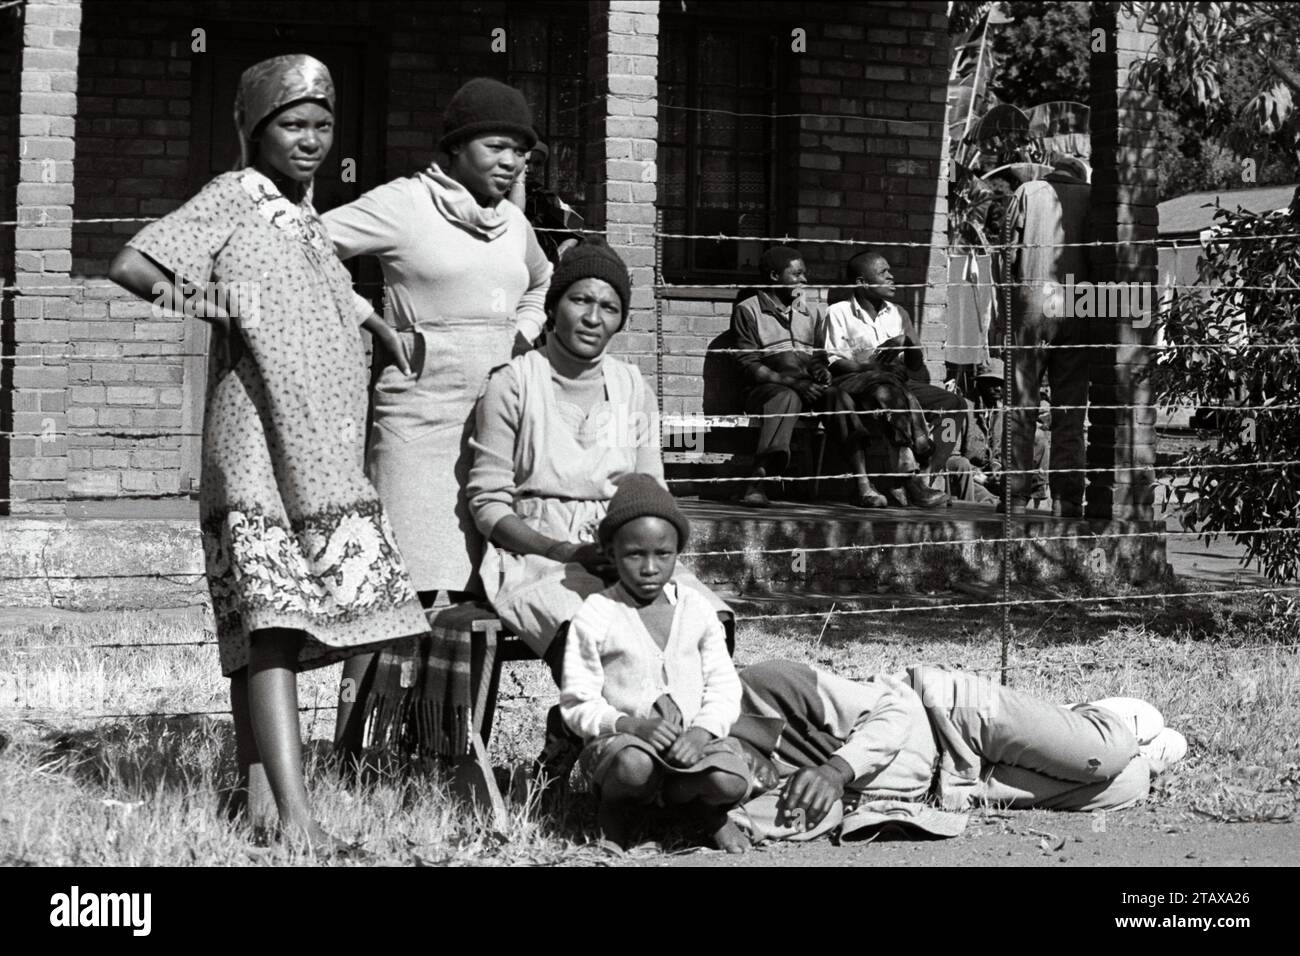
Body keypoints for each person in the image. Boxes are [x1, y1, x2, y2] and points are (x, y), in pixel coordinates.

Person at [107, 54, 429, 854]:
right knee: (275, 621)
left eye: (322, 125)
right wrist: (211, 304)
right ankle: (296, 817)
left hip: (313, 444)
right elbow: (132, 263)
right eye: (293, 124)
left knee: (265, 630)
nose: (311, 139)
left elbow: (310, 288)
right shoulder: (232, 197)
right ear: (256, 129)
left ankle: (254, 805)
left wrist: (372, 322)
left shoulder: (303, 217)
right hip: (253, 438)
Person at [322, 77, 552, 756]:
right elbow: (306, 245)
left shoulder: (514, 223)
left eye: (520, 150)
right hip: (417, 418)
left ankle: (453, 751)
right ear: (454, 146)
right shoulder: (403, 204)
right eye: (495, 145)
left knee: (483, 591)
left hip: (498, 419)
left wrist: (525, 333)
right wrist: (365, 315)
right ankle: (364, 753)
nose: (509, 161)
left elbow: (541, 281)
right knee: (407, 587)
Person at [466, 239, 734, 779]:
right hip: (539, 554)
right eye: (580, 301)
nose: (592, 317)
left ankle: (677, 767)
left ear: (620, 321)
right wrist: (564, 549)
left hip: (626, 545)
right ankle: (611, 764)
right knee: (595, 627)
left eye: (608, 307)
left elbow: (648, 485)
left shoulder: (630, 387)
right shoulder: (514, 383)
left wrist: (625, 548)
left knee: (708, 620)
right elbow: (488, 503)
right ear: (554, 306)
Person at [728, 659, 1186, 842]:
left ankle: (1097, 717)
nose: (754, 783)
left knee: (1102, 753)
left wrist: (836, 770)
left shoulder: (770, 687)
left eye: (738, 762)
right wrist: (730, 822)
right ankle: (1132, 748)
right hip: (954, 786)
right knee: (1129, 785)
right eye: (740, 790)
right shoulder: (728, 789)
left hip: (947, 715)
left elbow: (894, 713)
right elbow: (803, 818)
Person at [561, 474, 751, 853]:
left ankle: (699, 810)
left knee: (731, 781)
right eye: (634, 554)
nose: (650, 567)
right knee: (635, 767)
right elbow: (576, 702)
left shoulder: (696, 608)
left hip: (690, 744)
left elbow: (724, 686)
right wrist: (630, 724)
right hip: (624, 744)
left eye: (663, 554)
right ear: (611, 552)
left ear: (678, 552)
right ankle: (615, 814)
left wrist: (701, 733)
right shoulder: (598, 613)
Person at [730, 246, 877, 509]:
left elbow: (818, 356)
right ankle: (758, 481)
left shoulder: (810, 313)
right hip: (767, 389)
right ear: (774, 276)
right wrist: (792, 383)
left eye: (804, 274)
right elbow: (749, 366)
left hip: (806, 386)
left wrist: (820, 370)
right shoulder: (748, 310)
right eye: (796, 274)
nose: (804, 280)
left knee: (838, 397)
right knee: (786, 398)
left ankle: (862, 482)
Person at [825, 249, 964, 505]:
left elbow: (915, 364)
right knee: (887, 392)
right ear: (862, 282)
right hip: (858, 384)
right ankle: (910, 478)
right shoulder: (839, 313)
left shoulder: (898, 313)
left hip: (899, 384)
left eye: (890, 271)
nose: (892, 277)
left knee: (953, 406)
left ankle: (927, 474)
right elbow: (835, 362)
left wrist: (906, 342)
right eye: (883, 273)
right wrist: (871, 367)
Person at [1002, 155, 1093, 517]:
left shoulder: (1027, 191)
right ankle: (1066, 500)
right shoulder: (1093, 197)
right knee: (1070, 410)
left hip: (1030, 305)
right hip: (1082, 304)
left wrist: (1007, 308)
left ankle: (1015, 497)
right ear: (1080, 175)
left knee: (1021, 406)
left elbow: (1006, 256)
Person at [519, 140, 583, 263]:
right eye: (526, 162)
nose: (530, 169)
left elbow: (577, 228)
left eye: (537, 164)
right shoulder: (495, 192)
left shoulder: (546, 197)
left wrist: (559, 256)